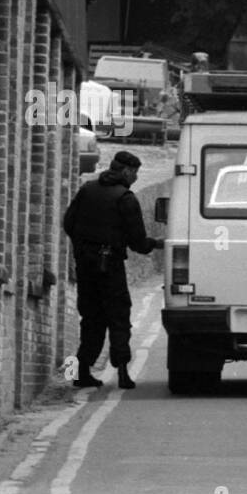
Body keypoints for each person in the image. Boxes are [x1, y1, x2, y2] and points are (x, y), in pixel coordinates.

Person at [62, 151, 165, 389]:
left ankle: (80, 372)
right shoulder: (125, 198)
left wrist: (84, 247)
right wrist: (156, 243)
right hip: (111, 267)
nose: (137, 178)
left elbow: (69, 222)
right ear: (126, 171)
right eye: (136, 172)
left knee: (91, 318)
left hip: (86, 266)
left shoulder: (87, 189)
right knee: (119, 318)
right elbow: (137, 242)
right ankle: (122, 373)